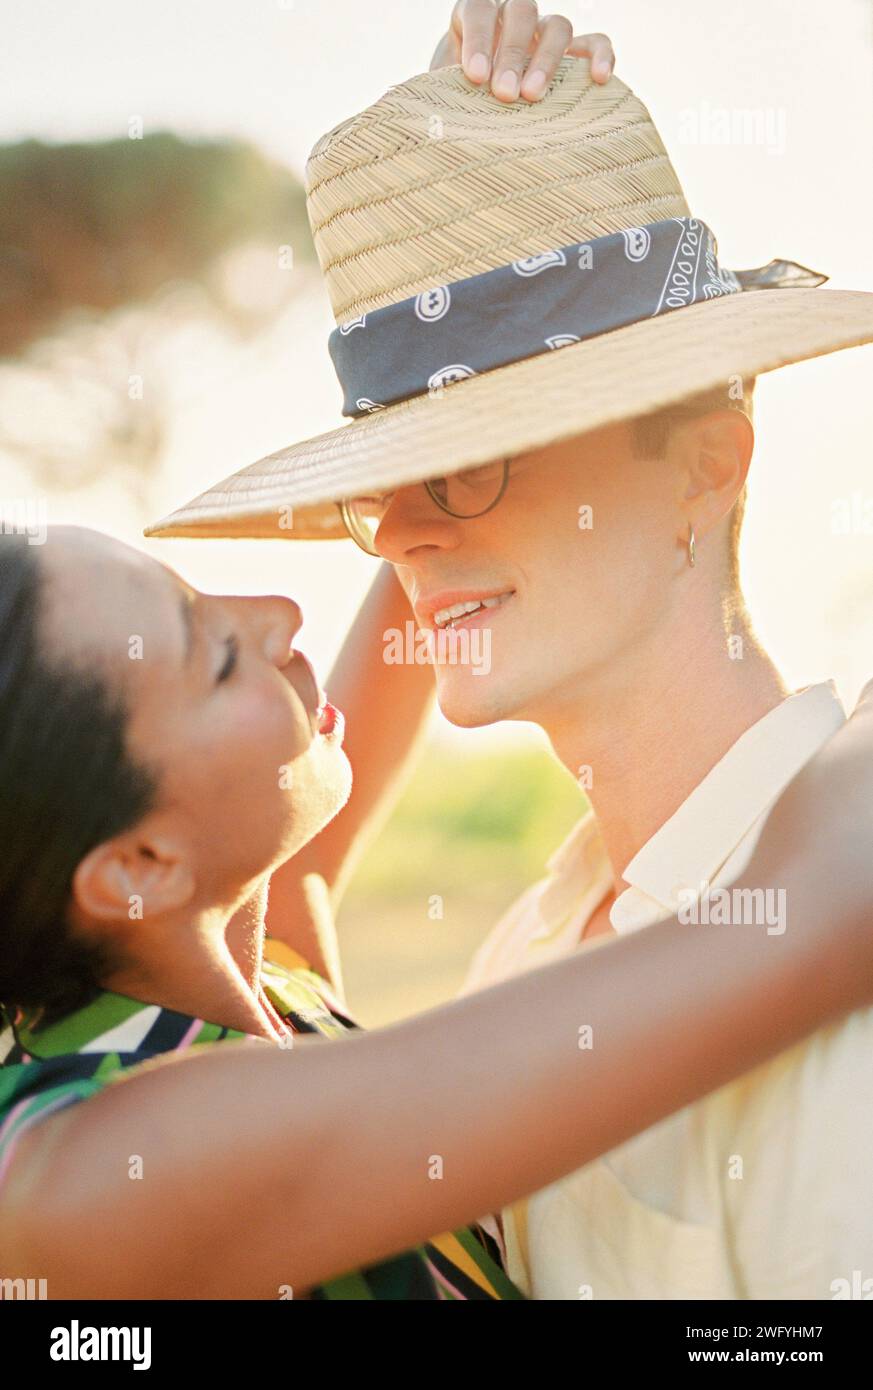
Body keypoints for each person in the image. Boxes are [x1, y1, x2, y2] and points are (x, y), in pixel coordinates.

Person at [146, 4, 873, 1297]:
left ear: (708, 463)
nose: (404, 544)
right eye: (390, 485)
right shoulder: (532, 952)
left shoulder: (841, 988)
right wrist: (451, 189)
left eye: (471, 467)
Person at [1, 523, 873, 1303]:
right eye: (219, 653)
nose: (279, 614)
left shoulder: (249, 986)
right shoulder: (85, 1181)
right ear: (138, 868)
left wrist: (441, 487)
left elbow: (363, 672)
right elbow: (811, 917)